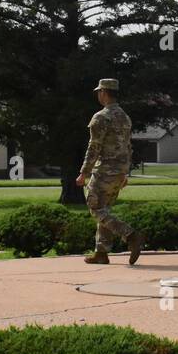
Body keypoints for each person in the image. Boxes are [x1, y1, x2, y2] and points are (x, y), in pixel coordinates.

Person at [74, 78, 144, 265]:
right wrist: (125, 173)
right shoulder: (124, 117)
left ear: (103, 93)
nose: (98, 95)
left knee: (95, 207)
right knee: (104, 209)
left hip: (104, 169)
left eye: (99, 92)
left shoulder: (101, 117)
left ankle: (130, 234)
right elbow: (128, 147)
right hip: (119, 171)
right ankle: (101, 253)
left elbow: (94, 147)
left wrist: (84, 172)